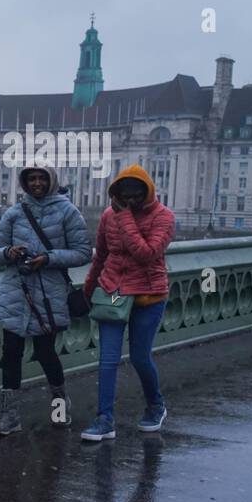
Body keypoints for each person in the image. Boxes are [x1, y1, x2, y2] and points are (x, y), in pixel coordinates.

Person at [0, 165, 92, 434]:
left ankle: (60, 409)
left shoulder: (68, 212)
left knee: (46, 354)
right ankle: (10, 417)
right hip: (16, 292)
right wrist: (9, 252)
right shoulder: (14, 213)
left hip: (48, 293)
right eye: (31, 179)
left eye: (41, 178)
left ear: (52, 181)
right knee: (11, 354)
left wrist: (48, 258)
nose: (36, 183)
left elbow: (83, 252)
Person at [81, 165, 175, 441]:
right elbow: (100, 257)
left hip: (149, 295)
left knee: (139, 357)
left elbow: (146, 254)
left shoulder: (164, 217)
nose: (131, 200)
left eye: (136, 194)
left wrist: (125, 218)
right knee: (107, 360)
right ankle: (104, 419)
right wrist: (88, 291)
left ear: (147, 192)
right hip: (113, 291)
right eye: (125, 194)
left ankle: (156, 406)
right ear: (117, 193)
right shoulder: (109, 216)